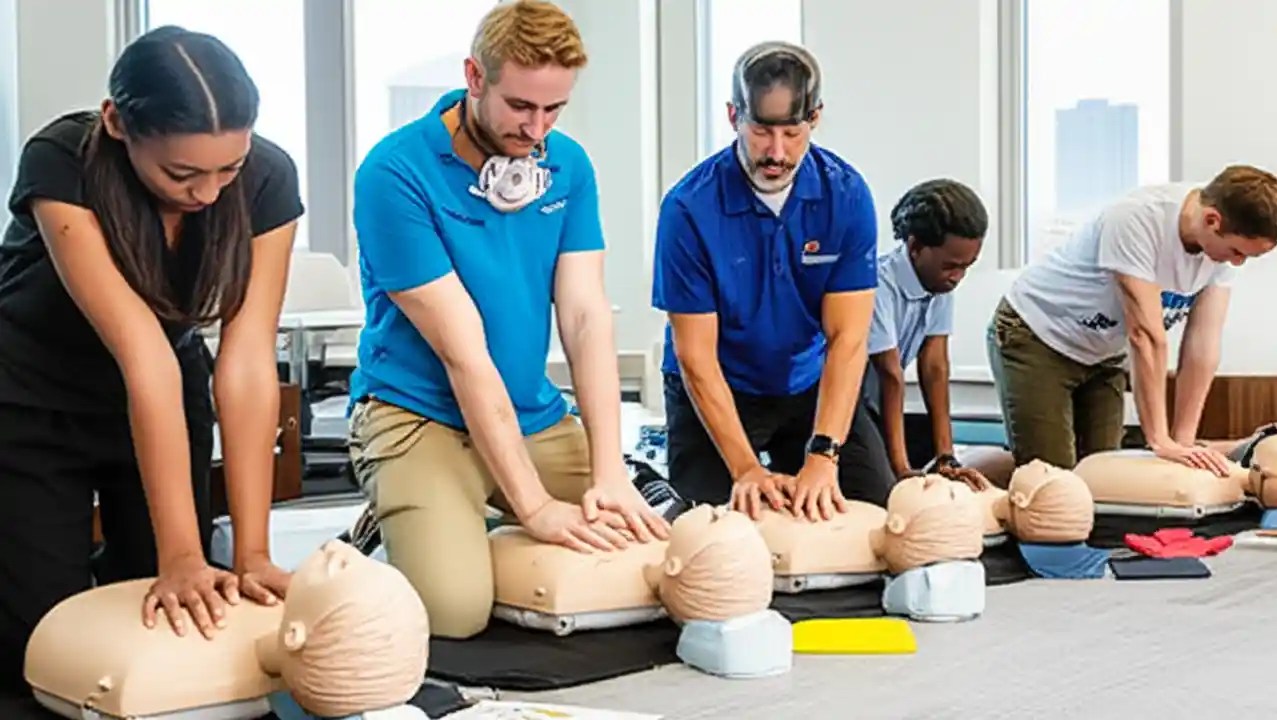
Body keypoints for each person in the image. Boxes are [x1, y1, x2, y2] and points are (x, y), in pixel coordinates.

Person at [346, 0, 669, 640]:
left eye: (554, 109)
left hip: (529, 415)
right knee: (454, 611)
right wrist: (535, 507)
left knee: (652, 550)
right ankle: (405, 518)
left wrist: (609, 470)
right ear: (474, 76)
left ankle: (472, 520)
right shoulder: (393, 173)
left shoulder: (567, 166)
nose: (536, 128)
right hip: (418, 415)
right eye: (520, 106)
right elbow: (464, 353)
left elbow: (585, 318)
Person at [0, 26, 301, 692]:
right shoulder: (61, 160)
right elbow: (141, 354)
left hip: (168, 391)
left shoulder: (268, 178)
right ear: (117, 123)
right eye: (182, 174)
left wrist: (251, 553)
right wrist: (184, 554)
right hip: (33, 398)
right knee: (39, 643)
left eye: (228, 169)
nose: (209, 193)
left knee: (172, 613)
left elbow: (248, 361)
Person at [652, 40, 892, 523]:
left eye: (792, 132)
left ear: (815, 119)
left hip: (808, 383)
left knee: (869, 512)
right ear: (733, 116)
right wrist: (745, 469)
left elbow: (848, 338)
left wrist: (823, 455)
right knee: (706, 529)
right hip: (719, 383)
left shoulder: (846, 196)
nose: (776, 152)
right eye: (761, 131)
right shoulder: (688, 208)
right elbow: (696, 356)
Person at [987, 165, 1277, 476]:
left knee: (1102, 476)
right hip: (1037, 334)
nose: (1238, 262)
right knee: (1055, 481)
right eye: (1236, 251)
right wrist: (1160, 440)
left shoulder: (1222, 246)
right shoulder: (1138, 219)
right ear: (1212, 220)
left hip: (1102, 353)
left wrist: (1183, 442)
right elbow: (1146, 335)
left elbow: (1203, 344)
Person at [863, 179, 987, 483]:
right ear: (915, 247)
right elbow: (890, 374)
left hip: (880, 400)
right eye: (951, 266)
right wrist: (900, 468)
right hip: (849, 399)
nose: (957, 277)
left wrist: (947, 457)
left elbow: (934, 367)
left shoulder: (939, 284)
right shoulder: (877, 284)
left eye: (967, 267)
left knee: (930, 448)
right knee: (881, 486)